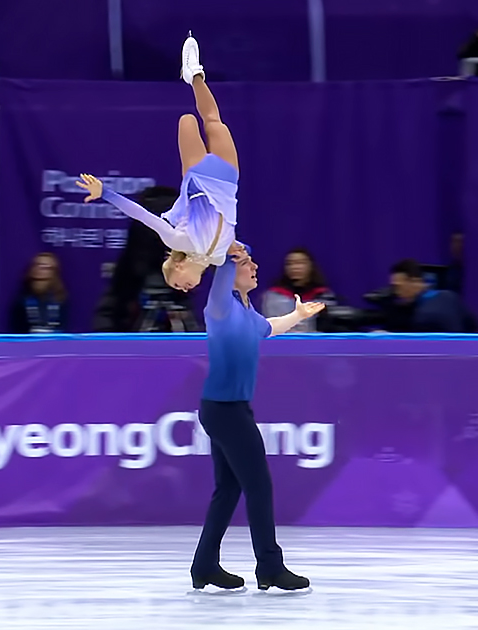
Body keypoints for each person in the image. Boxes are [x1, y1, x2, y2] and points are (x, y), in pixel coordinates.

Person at [190, 243, 323, 592]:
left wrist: (298, 316)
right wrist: (234, 247)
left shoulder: (246, 312)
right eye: (246, 263)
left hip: (228, 408)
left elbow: (268, 328)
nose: (254, 265)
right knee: (258, 486)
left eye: (251, 261)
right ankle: (270, 566)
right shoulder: (220, 305)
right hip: (225, 410)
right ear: (229, 273)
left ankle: (204, 564)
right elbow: (224, 258)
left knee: (230, 489)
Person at [76, 33, 238, 293]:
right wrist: (241, 250)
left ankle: (191, 73)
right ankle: (195, 75)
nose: (183, 289)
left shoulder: (177, 239)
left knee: (188, 120)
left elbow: (140, 214)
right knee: (214, 122)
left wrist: (104, 192)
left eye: (176, 283)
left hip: (199, 178)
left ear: (178, 267)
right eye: (182, 289)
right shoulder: (219, 258)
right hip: (228, 180)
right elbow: (232, 239)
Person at [8, 253, 68, 333]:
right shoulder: (22, 301)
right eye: (38, 265)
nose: (40, 271)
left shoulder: (61, 299)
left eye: (46, 267)